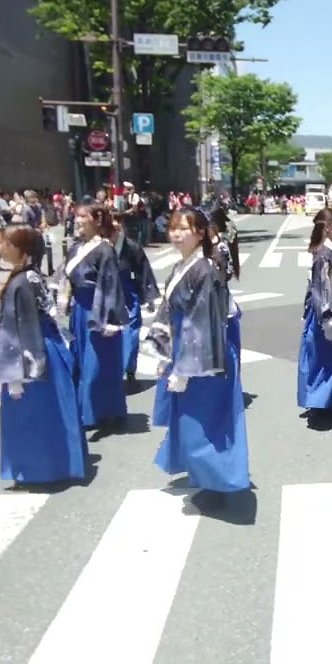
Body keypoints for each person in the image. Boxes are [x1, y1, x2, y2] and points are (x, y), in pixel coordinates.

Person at [146, 208, 250, 493]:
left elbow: (202, 324)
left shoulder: (205, 269)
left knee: (203, 422)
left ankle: (219, 481)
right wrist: (164, 352)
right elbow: (168, 312)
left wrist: (184, 370)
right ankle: (207, 479)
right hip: (186, 347)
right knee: (191, 419)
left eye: (184, 228)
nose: (176, 234)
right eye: (173, 228)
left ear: (201, 233)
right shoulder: (182, 267)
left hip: (206, 355)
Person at [0, 226, 87, 485]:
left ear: (20, 248)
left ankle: (38, 471)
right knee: (52, 412)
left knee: (31, 416)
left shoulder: (21, 282)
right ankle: (59, 465)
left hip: (29, 353)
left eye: (4, 243)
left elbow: (17, 329)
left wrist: (15, 375)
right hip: (47, 348)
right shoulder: (31, 276)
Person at [58, 204, 128, 429]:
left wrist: (110, 319)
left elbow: (110, 285)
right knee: (79, 360)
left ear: (97, 220)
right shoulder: (76, 247)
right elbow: (65, 276)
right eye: (76, 216)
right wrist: (63, 299)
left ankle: (103, 411)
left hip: (98, 310)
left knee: (97, 363)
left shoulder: (105, 250)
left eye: (82, 216)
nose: (77, 220)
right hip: (79, 309)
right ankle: (84, 410)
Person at [297, 209, 332, 415]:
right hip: (325, 314)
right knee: (322, 359)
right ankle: (318, 402)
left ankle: (324, 401)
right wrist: (328, 320)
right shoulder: (324, 255)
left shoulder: (328, 251)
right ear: (327, 227)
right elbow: (323, 289)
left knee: (326, 358)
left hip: (330, 312)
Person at [110, 210, 159, 389]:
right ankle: (112, 373)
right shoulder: (99, 247)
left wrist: (149, 296)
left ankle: (130, 371)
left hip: (127, 293)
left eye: (118, 221)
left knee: (131, 333)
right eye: (111, 221)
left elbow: (142, 271)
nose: (115, 225)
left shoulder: (131, 247)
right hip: (104, 294)